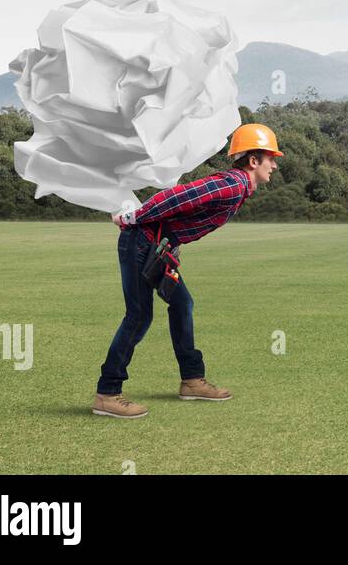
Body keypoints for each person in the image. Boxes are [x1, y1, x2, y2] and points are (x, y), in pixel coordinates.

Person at [91, 123, 283, 419]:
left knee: (182, 304)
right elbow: (176, 197)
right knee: (139, 316)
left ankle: (192, 380)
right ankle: (107, 393)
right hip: (141, 241)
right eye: (271, 158)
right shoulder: (232, 185)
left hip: (156, 246)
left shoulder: (238, 188)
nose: (275, 164)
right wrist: (132, 218)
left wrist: (172, 244)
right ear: (254, 160)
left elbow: (184, 215)